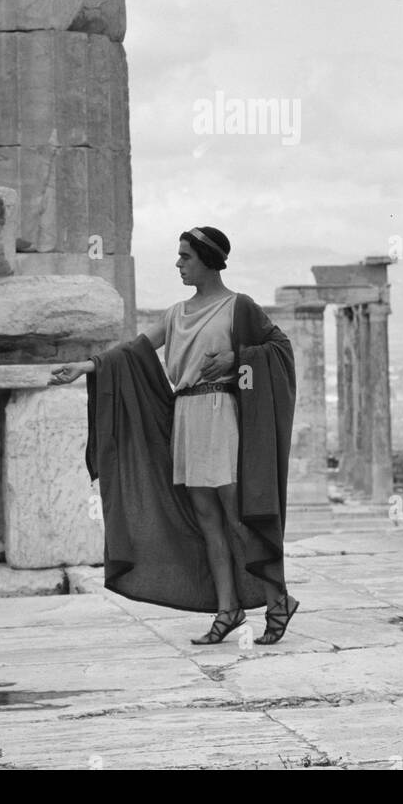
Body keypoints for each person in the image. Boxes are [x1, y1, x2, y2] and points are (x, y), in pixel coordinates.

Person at [50, 226, 300, 646]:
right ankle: (228, 608)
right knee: (208, 522)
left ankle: (278, 600)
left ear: (207, 259)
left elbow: (280, 350)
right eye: (179, 256)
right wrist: (85, 366)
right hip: (186, 415)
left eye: (185, 256)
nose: (178, 264)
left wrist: (237, 359)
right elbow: (133, 352)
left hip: (223, 416)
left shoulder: (239, 307)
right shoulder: (175, 313)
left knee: (237, 514)